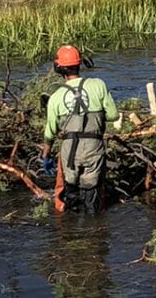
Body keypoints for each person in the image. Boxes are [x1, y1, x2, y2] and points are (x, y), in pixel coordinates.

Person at [40, 45, 119, 213]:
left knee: (71, 190)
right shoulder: (98, 85)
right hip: (93, 146)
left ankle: (72, 230)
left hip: (70, 152)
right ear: (79, 64)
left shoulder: (55, 97)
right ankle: (94, 229)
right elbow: (113, 115)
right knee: (92, 191)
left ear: (58, 68)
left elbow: (50, 132)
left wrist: (45, 155)